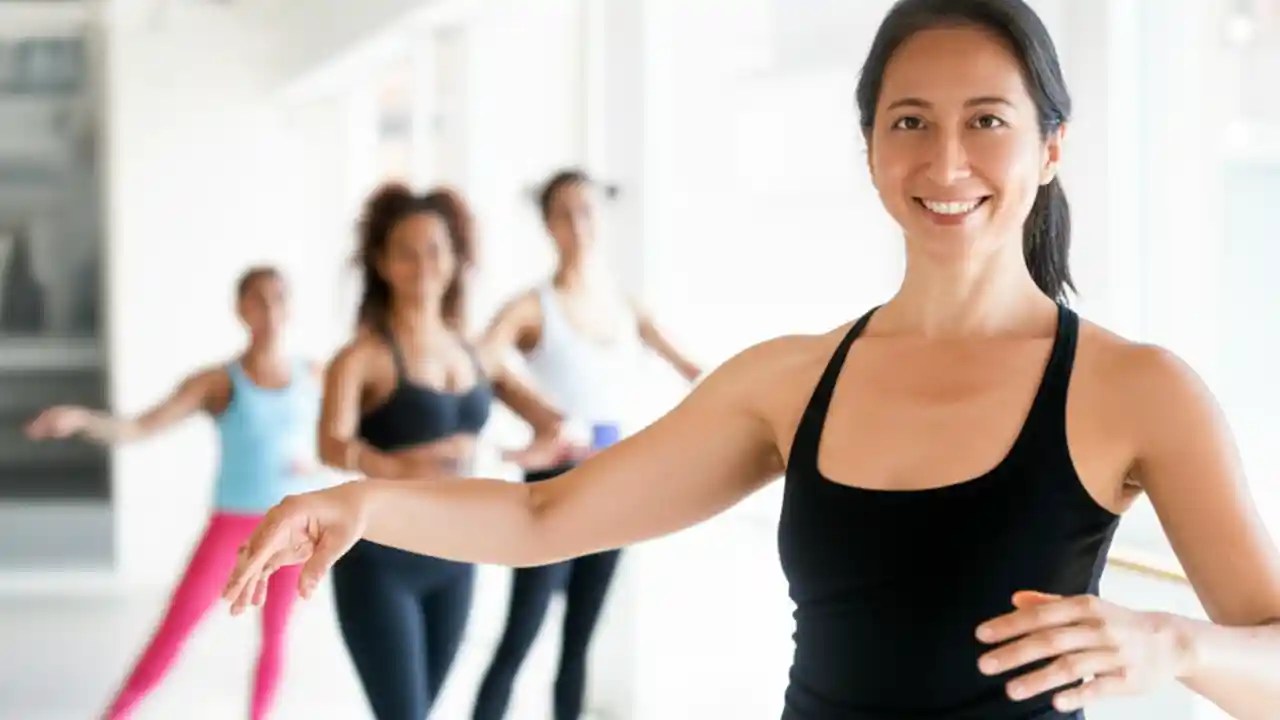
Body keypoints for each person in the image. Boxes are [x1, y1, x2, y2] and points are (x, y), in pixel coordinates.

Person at [224, 2, 1280, 718]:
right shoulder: (788, 381)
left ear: (1049, 148)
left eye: (986, 122)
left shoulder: (1136, 389)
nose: (944, 160)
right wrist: (358, 503)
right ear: (869, 149)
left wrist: (1175, 646)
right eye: (908, 121)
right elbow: (546, 516)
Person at [315, 183, 567, 720]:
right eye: (406, 251)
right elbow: (331, 443)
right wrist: (397, 465)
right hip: (380, 561)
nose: (423, 264)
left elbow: (550, 423)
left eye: (436, 249)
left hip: (456, 555)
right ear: (382, 263)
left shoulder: (476, 353)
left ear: (454, 259)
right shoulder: (362, 356)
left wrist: (508, 455)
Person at [26, 266, 320, 720]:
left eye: (279, 298)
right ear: (241, 309)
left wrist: (315, 465)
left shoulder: (314, 375)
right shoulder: (217, 382)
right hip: (234, 525)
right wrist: (82, 420)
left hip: (295, 527)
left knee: (276, 637)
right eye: (259, 300)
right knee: (175, 630)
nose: (271, 310)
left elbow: (342, 442)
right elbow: (141, 426)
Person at [471, 169, 701, 720]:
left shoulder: (627, 306)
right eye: (566, 212)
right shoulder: (533, 305)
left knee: (579, 645)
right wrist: (537, 418)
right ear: (548, 224)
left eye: (588, 210)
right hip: (554, 485)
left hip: (615, 485)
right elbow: (478, 360)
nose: (579, 223)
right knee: (521, 634)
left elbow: (697, 372)